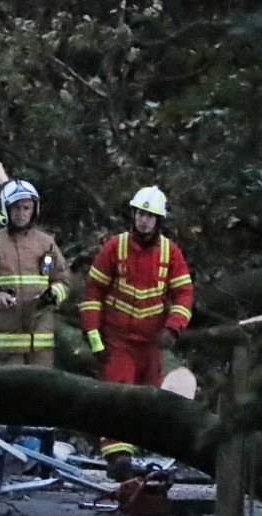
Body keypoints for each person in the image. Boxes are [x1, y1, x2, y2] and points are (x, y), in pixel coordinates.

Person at [79, 185, 193, 479]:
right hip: (118, 341)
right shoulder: (114, 248)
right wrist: (95, 340)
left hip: (152, 344)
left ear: (159, 220)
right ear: (133, 214)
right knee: (119, 396)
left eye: (150, 216)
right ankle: (118, 457)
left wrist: (174, 328)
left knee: (148, 400)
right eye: (141, 214)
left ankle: (141, 454)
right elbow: (93, 294)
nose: (144, 220)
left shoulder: (170, 252)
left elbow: (183, 293)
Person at [0, 179, 69, 367]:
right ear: (6, 209)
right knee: (9, 396)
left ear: (34, 209)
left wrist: (54, 295)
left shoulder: (46, 243)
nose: (21, 214)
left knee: (43, 394)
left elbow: (64, 280)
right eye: (16, 208)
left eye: (26, 208)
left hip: (40, 345)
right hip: (5, 345)